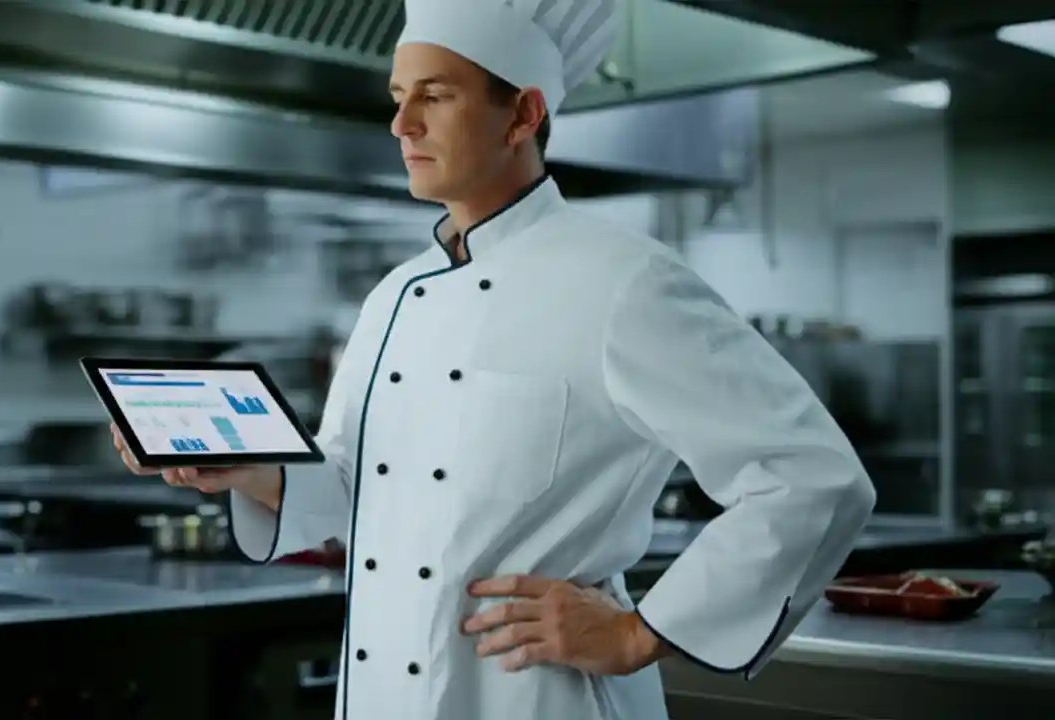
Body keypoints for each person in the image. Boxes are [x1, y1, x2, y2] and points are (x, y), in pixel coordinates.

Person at [111, 0, 877, 717]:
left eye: (435, 96)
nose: (401, 123)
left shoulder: (622, 281)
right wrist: (251, 470)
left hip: (534, 697)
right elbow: (356, 481)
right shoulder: (393, 295)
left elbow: (810, 475)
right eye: (398, 95)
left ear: (522, 113)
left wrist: (639, 633)